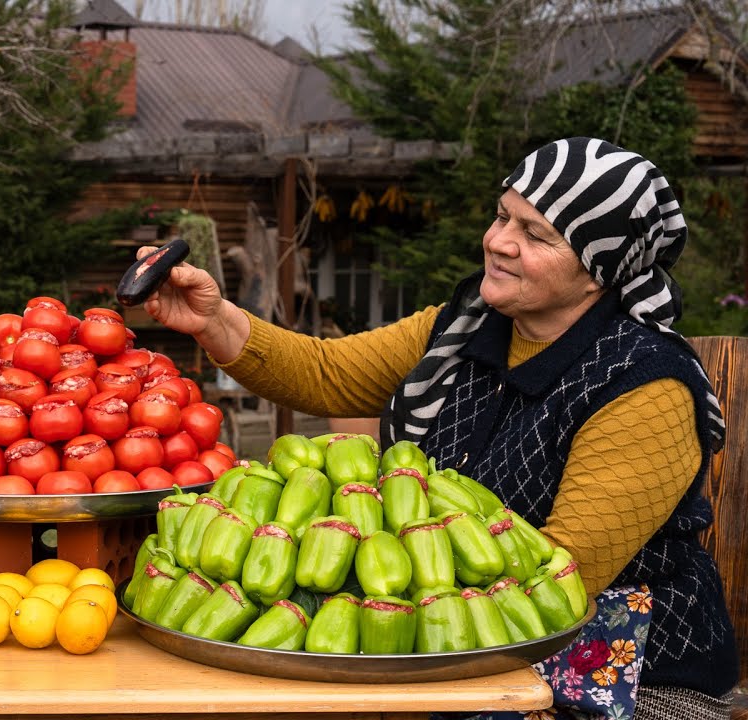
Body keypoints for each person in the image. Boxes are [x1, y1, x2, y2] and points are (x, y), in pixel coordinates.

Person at [139, 137, 737, 719]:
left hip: (625, 676)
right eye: (502, 216)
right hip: (453, 646)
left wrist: (372, 574)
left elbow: (559, 575)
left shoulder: (646, 386)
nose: (499, 242)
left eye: (535, 235)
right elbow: (326, 373)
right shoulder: (466, 326)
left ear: (597, 270)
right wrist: (214, 319)